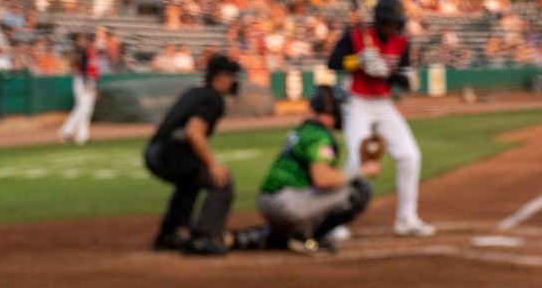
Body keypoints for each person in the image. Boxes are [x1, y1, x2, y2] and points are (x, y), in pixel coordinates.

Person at [326, 0, 432, 236]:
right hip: (357, 102)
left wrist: (387, 73)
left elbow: (406, 78)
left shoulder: (402, 42)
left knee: (409, 156)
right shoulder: (355, 35)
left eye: (395, 22)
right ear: (379, 19)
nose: (392, 26)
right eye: (388, 22)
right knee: (357, 159)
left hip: (383, 103)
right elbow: (332, 62)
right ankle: (333, 222)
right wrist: (358, 61)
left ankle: (407, 219)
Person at [234, 85, 379, 253]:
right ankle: (308, 238)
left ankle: (262, 236)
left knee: (332, 187)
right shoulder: (320, 136)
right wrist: (361, 170)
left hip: (267, 201)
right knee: (359, 190)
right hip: (287, 204)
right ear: (331, 108)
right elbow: (322, 179)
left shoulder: (304, 129)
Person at [144, 54, 242, 256]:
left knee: (191, 179)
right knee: (222, 181)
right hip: (169, 154)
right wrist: (213, 164)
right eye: (231, 75)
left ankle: (170, 233)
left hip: (155, 151)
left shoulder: (196, 91)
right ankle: (203, 237)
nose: (233, 81)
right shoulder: (214, 98)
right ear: (221, 76)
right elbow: (194, 132)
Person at [58, 31, 98, 145]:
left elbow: (93, 72)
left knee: (87, 110)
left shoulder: (91, 53)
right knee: (82, 107)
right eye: (91, 41)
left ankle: (82, 136)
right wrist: (87, 84)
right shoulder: (83, 53)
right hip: (83, 81)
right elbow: (82, 69)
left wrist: (93, 86)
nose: (92, 43)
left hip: (90, 81)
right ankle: (66, 131)